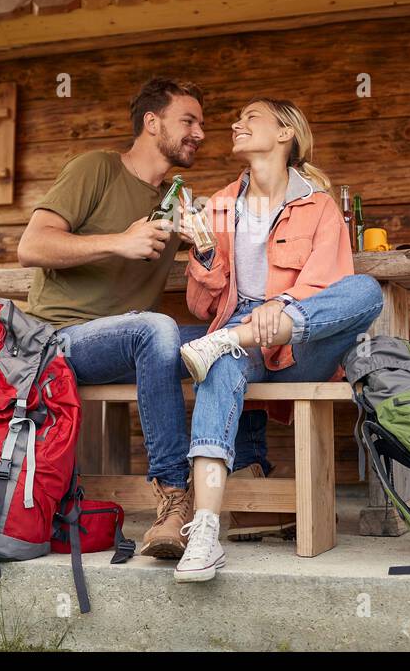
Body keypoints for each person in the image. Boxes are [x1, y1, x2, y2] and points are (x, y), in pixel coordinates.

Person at [17, 77, 271, 560]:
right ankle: (175, 497)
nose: (199, 133)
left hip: (130, 344)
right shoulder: (97, 168)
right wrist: (118, 241)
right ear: (152, 123)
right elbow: (31, 246)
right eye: (188, 121)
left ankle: (251, 470)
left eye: (202, 124)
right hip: (61, 342)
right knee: (155, 327)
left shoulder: (176, 201)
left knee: (237, 335)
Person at [173, 97, 384, 582]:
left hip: (300, 338)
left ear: (285, 132)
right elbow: (203, 308)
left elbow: (327, 284)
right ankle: (204, 532)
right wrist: (204, 252)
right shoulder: (222, 205)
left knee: (364, 292)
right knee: (219, 360)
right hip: (239, 337)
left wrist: (282, 308)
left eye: (251, 118)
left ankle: (233, 339)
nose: (235, 124)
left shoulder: (319, 205)